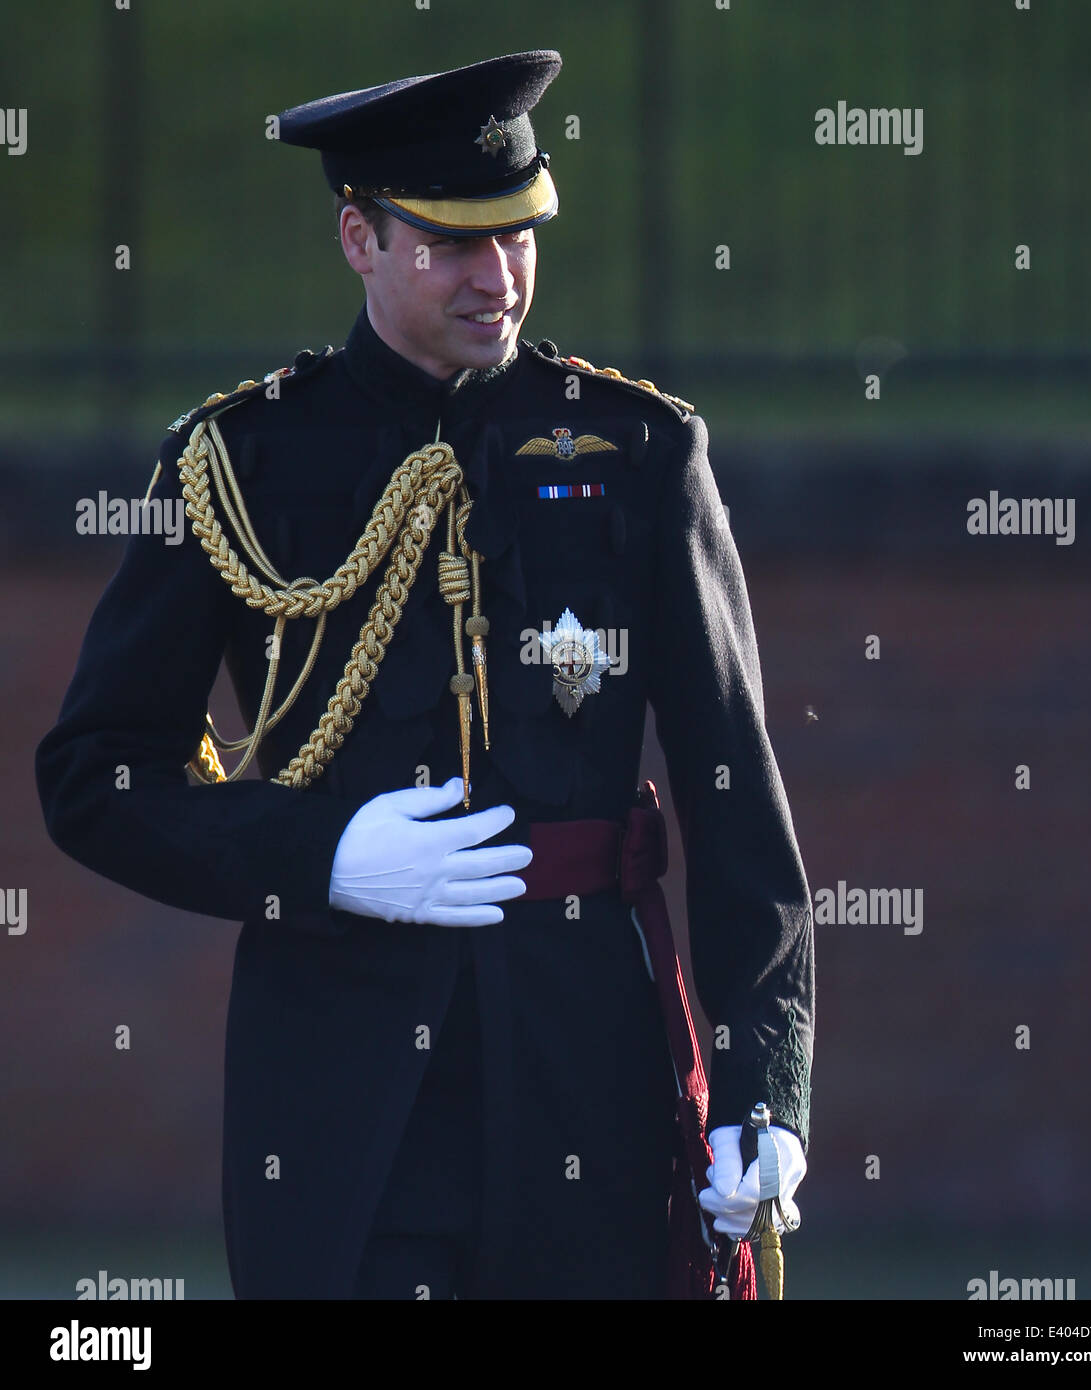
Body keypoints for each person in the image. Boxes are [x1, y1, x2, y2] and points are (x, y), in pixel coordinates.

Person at [35, 49, 814, 1300]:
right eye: (452, 243)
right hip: (342, 1085)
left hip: (585, 1072)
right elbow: (95, 775)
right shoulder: (242, 463)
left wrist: (762, 1087)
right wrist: (318, 855)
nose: (495, 276)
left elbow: (733, 796)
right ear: (358, 236)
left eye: (516, 236)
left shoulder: (636, 453)